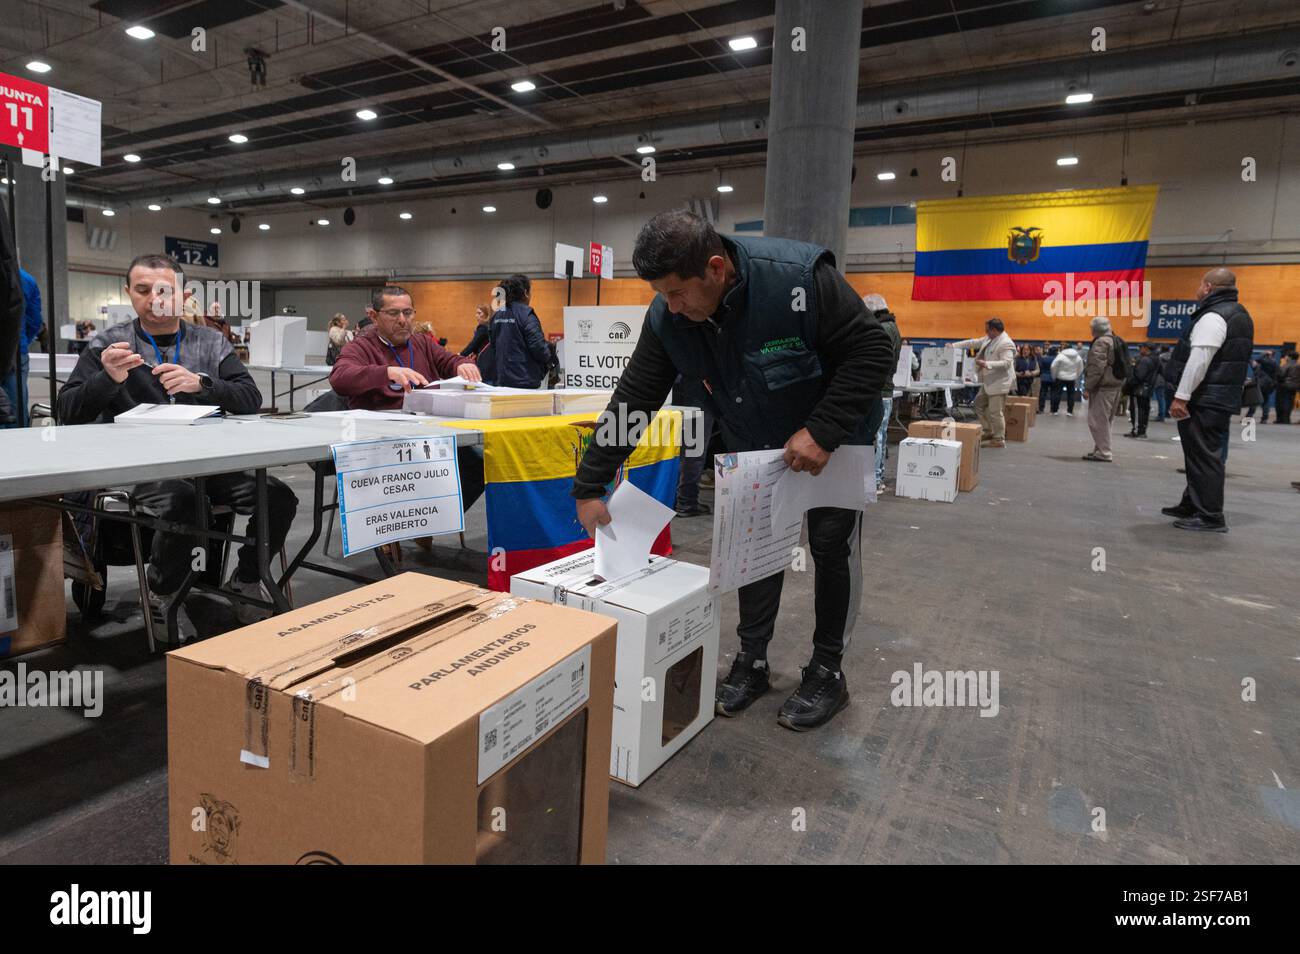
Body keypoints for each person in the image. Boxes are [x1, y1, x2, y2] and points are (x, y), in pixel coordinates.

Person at [572, 210, 893, 731]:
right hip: (755, 447)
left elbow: (872, 348)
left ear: (716, 269)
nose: (671, 306)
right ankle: (753, 661)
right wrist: (590, 485)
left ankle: (827, 671)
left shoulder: (799, 280)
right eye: (662, 294)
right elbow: (635, 399)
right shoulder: (669, 318)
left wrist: (824, 429)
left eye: (678, 293)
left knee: (832, 550)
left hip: (834, 445)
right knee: (754, 551)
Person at [56, 253, 298, 639]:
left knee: (278, 497)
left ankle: (247, 579)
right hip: (139, 465)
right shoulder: (107, 344)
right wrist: (107, 378)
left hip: (208, 463)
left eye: (164, 290)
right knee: (184, 502)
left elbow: (250, 398)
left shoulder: (211, 342)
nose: (154, 298)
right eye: (142, 289)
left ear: (184, 295)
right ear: (128, 293)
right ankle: (165, 592)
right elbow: (67, 412)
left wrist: (203, 384)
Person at [329, 284, 487, 513]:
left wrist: (463, 364)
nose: (403, 320)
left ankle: (433, 519)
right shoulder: (361, 346)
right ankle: (397, 527)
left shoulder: (422, 343)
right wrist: (386, 372)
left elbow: (449, 361)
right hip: (381, 443)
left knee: (479, 464)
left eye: (408, 312)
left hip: (428, 436)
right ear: (373, 316)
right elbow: (339, 377)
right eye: (394, 313)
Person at [1163, 268, 1254, 532]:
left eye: (1201, 284)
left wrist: (1181, 396)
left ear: (1209, 287)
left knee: (1204, 456)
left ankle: (1210, 515)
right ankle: (1192, 503)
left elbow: (1200, 358)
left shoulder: (1213, 316)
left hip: (1205, 399)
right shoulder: (1238, 313)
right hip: (1217, 396)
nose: (1198, 288)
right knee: (1198, 455)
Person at [953, 318, 1016, 448]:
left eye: (987, 330)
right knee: (978, 405)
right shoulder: (989, 339)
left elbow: (1006, 363)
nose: (985, 332)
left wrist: (987, 364)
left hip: (999, 383)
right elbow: (973, 342)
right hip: (989, 382)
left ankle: (999, 439)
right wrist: (954, 346)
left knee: (996, 412)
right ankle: (988, 431)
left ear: (994, 330)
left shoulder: (1006, 343)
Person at [864, 293, 902, 492]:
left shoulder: (882, 329)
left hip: (878, 389)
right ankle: (878, 478)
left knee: (876, 436)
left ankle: (874, 480)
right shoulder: (893, 327)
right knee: (882, 435)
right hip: (886, 388)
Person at [488, 274, 550, 389]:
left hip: (501, 381)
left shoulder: (496, 316)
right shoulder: (526, 315)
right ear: (526, 293)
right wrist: (548, 357)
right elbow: (539, 348)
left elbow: (493, 346)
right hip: (525, 382)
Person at [2, 269, 43, 428]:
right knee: (16, 407)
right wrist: (22, 338)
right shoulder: (26, 279)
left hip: (17, 347)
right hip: (16, 350)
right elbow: (35, 320)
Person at [1081, 317, 1124, 462]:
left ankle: (1104, 452)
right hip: (1115, 385)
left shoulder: (1101, 342)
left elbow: (1096, 368)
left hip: (1103, 387)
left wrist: (1087, 387)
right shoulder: (1116, 340)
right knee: (1106, 420)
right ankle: (1100, 449)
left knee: (1097, 420)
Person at [1123, 343, 1157, 438]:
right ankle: (1140, 429)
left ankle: (1138, 430)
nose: (1139, 350)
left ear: (1145, 348)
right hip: (1147, 388)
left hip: (1139, 389)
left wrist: (1129, 383)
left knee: (1138, 411)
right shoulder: (1155, 359)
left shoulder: (1144, 360)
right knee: (1144, 410)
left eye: (1140, 348)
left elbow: (1139, 375)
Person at [1049, 344, 1083, 415]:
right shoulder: (1078, 357)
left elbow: (1053, 366)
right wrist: (1076, 376)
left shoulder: (1060, 356)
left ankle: (1055, 410)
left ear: (1064, 348)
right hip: (1072, 378)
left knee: (1057, 394)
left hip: (1060, 377)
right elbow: (1081, 368)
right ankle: (1070, 411)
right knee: (1071, 395)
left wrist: (1054, 376)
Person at [1274, 352, 1300, 425]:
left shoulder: (1287, 365)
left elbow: (1280, 375)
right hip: (1294, 387)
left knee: (1280, 403)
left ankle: (1281, 419)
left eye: (1286, 356)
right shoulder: (1298, 365)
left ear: (1290, 357)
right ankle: (1287, 419)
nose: (1285, 357)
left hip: (1284, 386)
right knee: (1290, 403)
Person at [1153, 345, 1171, 421]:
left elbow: (1157, 369)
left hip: (1159, 379)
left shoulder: (1159, 358)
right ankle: (1166, 413)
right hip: (1169, 379)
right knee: (1167, 397)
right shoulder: (1172, 358)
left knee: (1160, 398)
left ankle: (1161, 415)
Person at [1037, 345, 1056, 413]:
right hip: (1054, 378)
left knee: (1043, 393)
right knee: (1053, 393)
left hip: (1044, 377)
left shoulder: (1044, 358)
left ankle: (1041, 408)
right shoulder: (1057, 359)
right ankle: (1053, 409)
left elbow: (1040, 366)